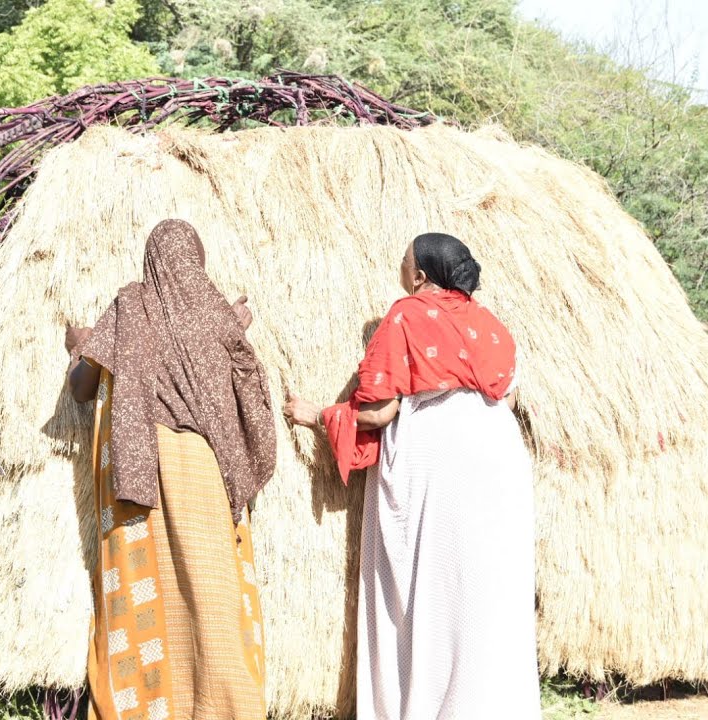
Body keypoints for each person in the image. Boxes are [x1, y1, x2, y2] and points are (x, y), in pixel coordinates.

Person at [283, 232, 541, 719]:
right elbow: (504, 399)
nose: (400, 270)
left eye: (404, 263)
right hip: (502, 456)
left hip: (437, 460)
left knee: (427, 590)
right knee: (487, 593)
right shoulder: (492, 325)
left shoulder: (405, 314)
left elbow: (379, 412)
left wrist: (318, 414)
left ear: (420, 276)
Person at [65, 219, 276, 720]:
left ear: (150, 258)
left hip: (145, 472)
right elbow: (249, 388)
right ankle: (226, 706)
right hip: (206, 469)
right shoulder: (217, 314)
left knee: (147, 588)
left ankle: (149, 704)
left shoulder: (131, 306)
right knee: (214, 591)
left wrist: (81, 344)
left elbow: (81, 387)